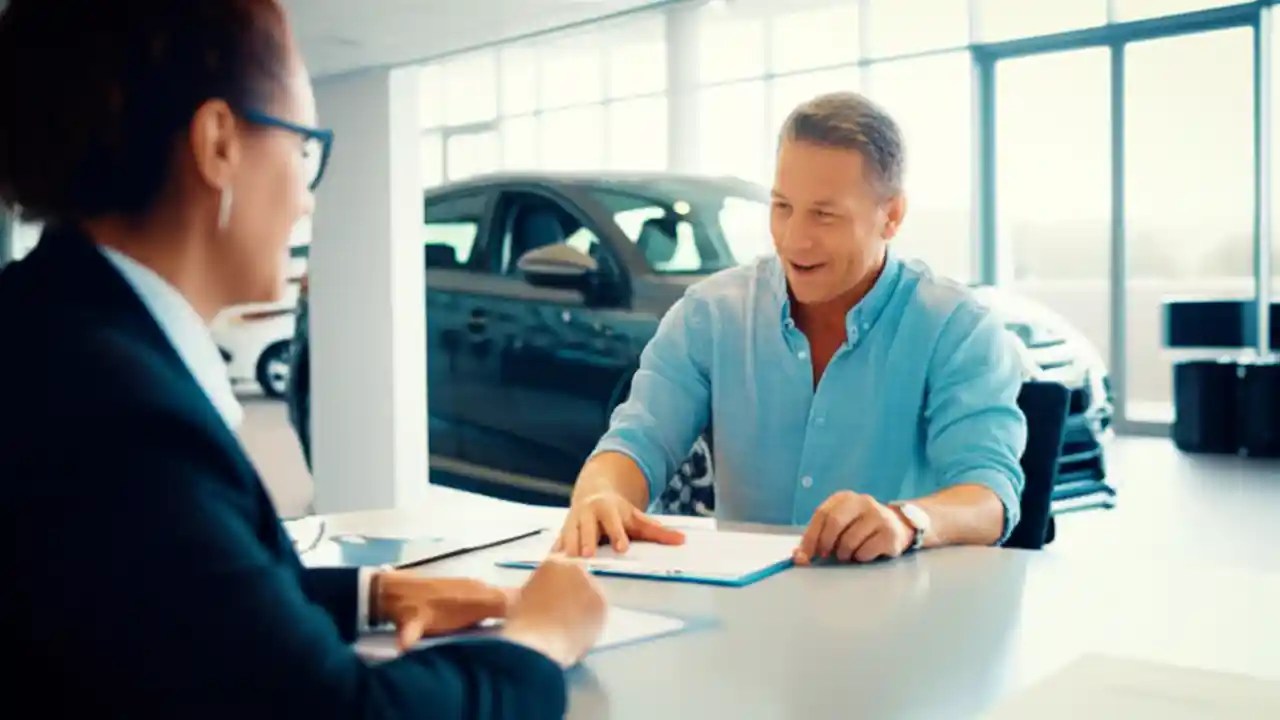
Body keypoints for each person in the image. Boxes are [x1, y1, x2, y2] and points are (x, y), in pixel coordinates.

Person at [0, 1, 604, 717]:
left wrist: (374, 594)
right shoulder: (116, 409)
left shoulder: (51, 327)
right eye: (303, 147)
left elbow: (172, 593)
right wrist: (538, 640)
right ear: (219, 143)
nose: (306, 203)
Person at [555, 92, 1028, 565]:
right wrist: (602, 495)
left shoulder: (956, 327)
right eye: (782, 207)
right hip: (746, 613)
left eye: (824, 214)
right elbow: (638, 442)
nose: (794, 239)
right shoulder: (710, 314)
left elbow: (989, 496)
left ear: (892, 216)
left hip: (898, 610)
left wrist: (906, 521)